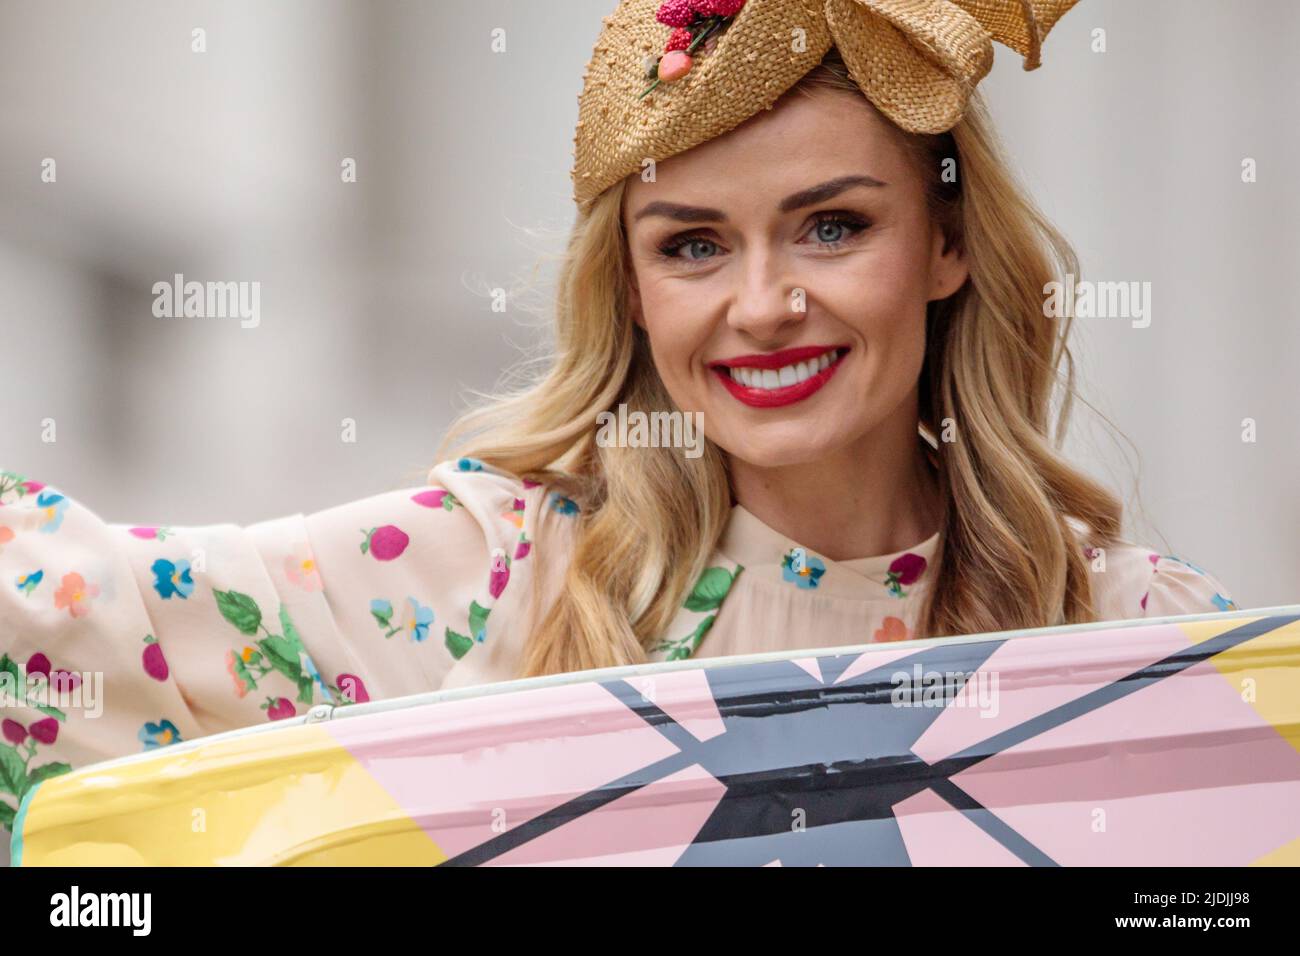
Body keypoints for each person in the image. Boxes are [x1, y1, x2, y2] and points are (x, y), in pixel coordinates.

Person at [0, 0, 1236, 817]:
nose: (763, 304)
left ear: (948, 243)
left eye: (831, 226)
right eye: (693, 245)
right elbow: (76, 614)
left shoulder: (1136, 634)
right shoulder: (501, 575)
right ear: (633, 292)